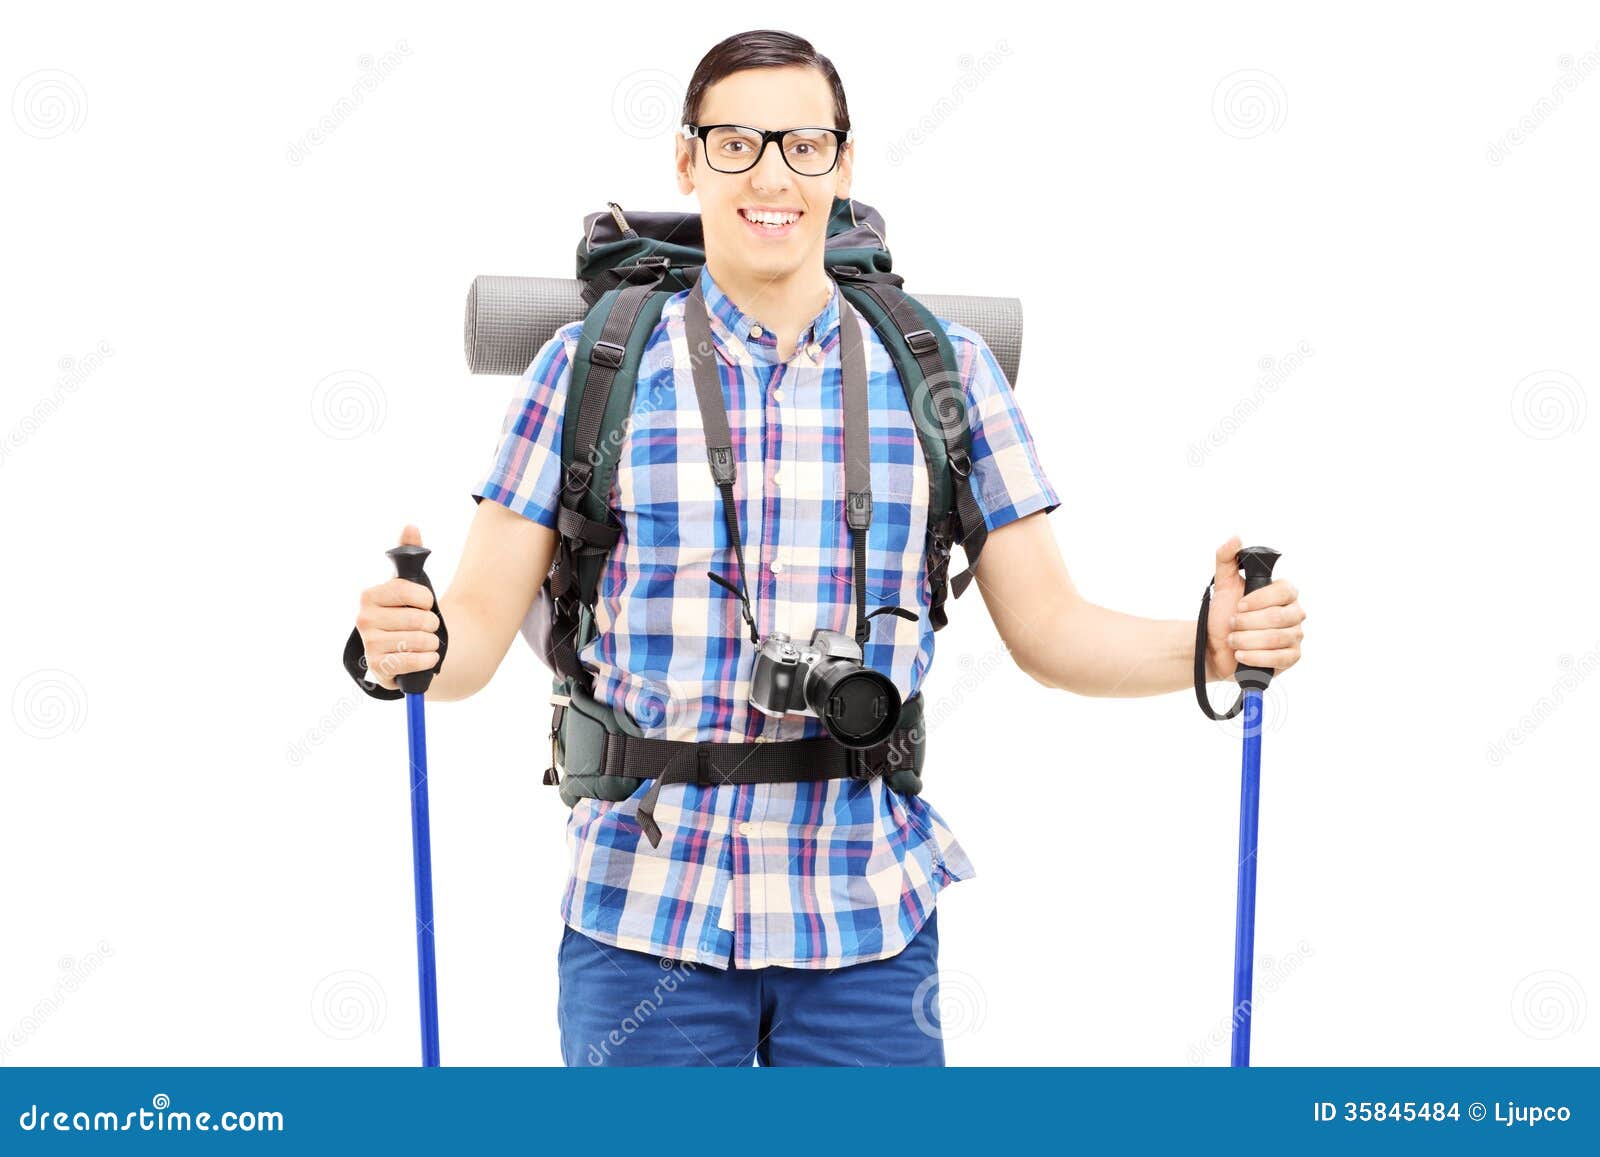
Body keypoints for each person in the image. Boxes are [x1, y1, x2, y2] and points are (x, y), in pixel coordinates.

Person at [349, 29, 1307, 1067]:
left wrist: (1209, 642)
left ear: (843, 165)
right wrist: (408, 640)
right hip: (640, 918)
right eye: (735, 143)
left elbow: (1050, 630)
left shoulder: (945, 370)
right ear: (687, 161)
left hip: (867, 918)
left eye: (804, 144)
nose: (771, 174)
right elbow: (473, 638)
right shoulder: (588, 368)